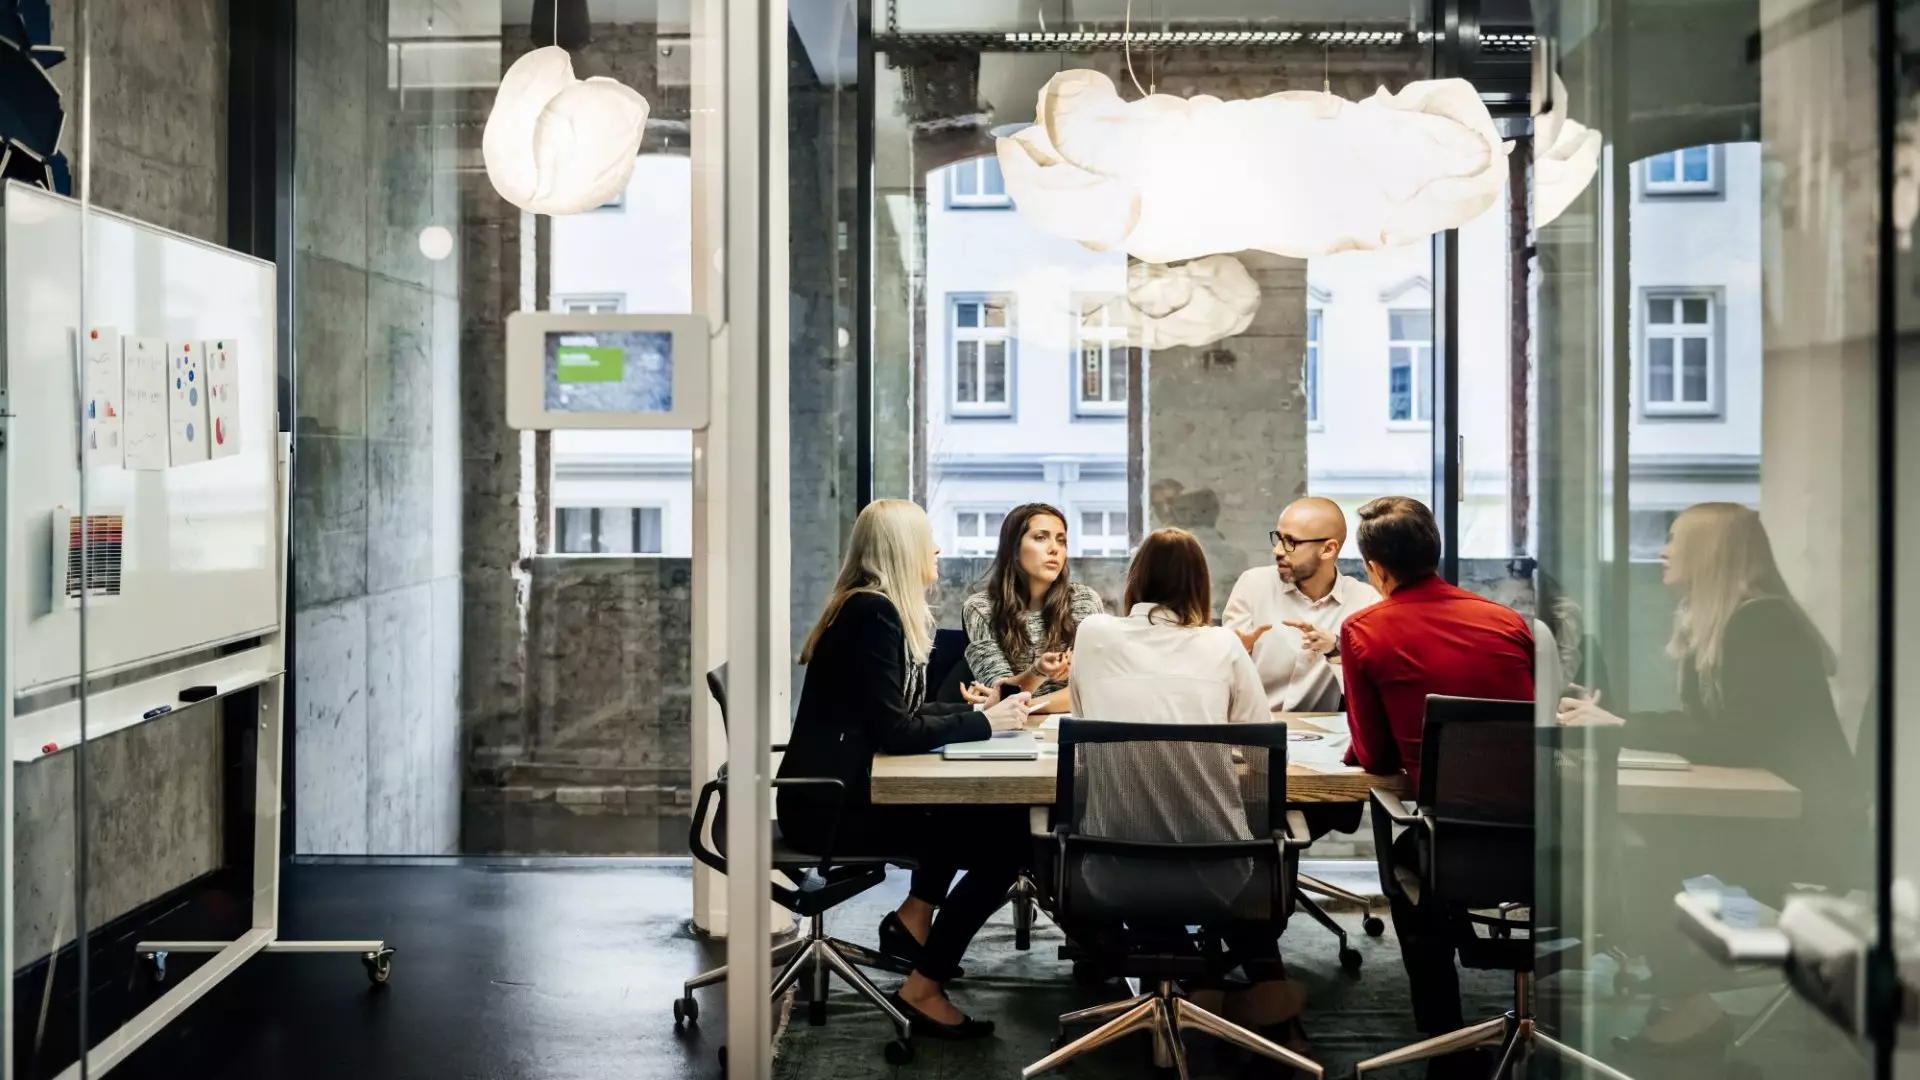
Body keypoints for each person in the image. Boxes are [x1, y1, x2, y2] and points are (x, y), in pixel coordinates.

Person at [1557, 503, 1860, 1057]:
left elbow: (1736, 738)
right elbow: (1715, 730)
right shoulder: (1728, 619)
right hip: (1777, 811)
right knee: (1637, 840)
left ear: (1710, 552)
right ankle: (1678, 979)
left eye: (1675, 539)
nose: (1664, 550)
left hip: (1810, 829)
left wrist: (1620, 726)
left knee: (1642, 851)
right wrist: (1621, 723)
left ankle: (1691, 1002)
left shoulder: (1762, 623)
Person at [779, 499, 1038, 1040]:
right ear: (902, 549)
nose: (938, 549)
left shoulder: (865, 607)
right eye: (928, 538)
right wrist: (986, 724)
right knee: (1008, 843)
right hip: (833, 808)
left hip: (835, 794)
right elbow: (896, 732)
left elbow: (897, 714)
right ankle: (922, 985)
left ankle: (915, 926)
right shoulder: (872, 615)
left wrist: (974, 713)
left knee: (983, 826)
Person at [1069, 528, 1308, 1040]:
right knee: (1205, 842)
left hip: (1109, 866)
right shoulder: (1222, 643)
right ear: (1201, 586)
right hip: (1220, 870)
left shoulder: (1092, 634)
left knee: (1136, 839)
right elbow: (1257, 744)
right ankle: (1226, 987)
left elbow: (1085, 721)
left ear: (1135, 579)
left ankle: (1179, 984)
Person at [1337, 496, 1534, 1037]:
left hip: (1451, 848)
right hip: (1539, 843)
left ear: (1375, 568)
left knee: (1403, 853)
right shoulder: (1509, 622)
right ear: (1436, 551)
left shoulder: (1364, 630)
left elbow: (1376, 758)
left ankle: (1445, 1038)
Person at [1222, 497, 1381, 713]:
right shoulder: (1253, 585)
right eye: (1278, 538)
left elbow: (1367, 694)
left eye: (1291, 542)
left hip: (1323, 736)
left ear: (1328, 549)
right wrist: (1234, 652)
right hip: (1255, 729)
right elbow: (1220, 680)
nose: (1277, 551)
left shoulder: (1365, 601)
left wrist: (1335, 649)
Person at [958, 503, 1104, 714]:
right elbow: (1003, 690)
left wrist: (1023, 704)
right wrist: (1038, 672)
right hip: (1010, 731)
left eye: (1061, 541)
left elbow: (1092, 690)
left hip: (1069, 728)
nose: (1054, 548)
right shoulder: (980, 609)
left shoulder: (1085, 601)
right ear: (1014, 549)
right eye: (1040, 537)